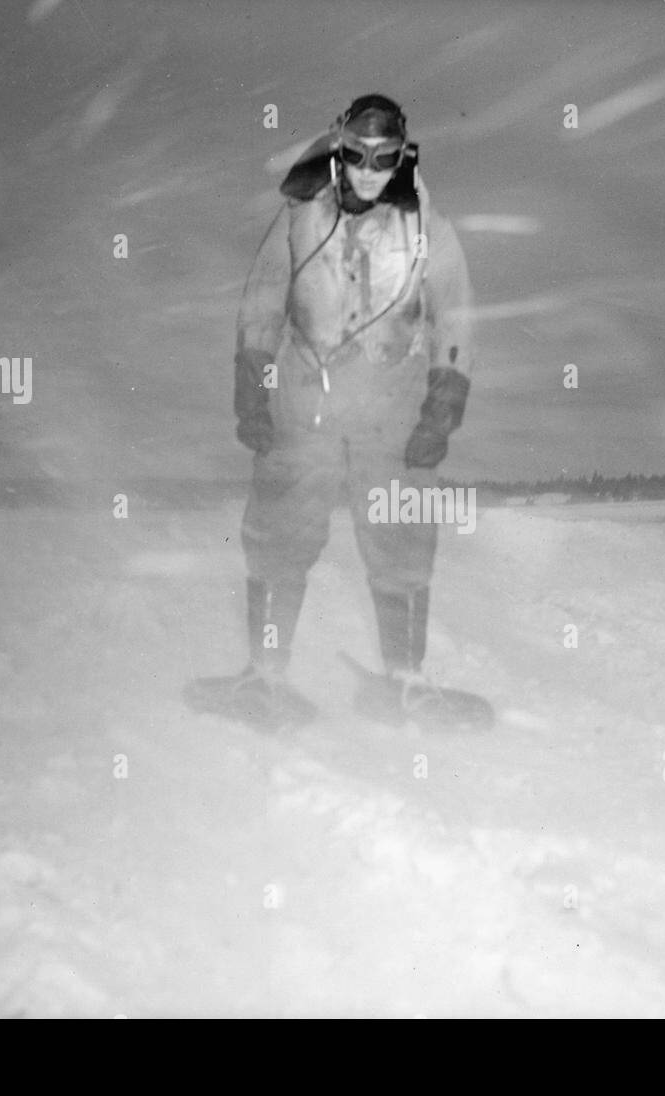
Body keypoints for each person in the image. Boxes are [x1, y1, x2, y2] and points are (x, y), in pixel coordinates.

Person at [227, 93, 475, 723]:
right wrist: (253, 385)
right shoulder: (298, 220)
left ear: (402, 155)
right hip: (306, 397)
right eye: (358, 155)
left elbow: (455, 312)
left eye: (384, 157)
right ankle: (264, 676)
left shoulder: (427, 226)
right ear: (338, 149)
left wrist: (444, 399)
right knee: (280, 531)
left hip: (391, 404)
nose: (370, 169)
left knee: (402, 534)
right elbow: (262, 304)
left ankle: (406, 680)